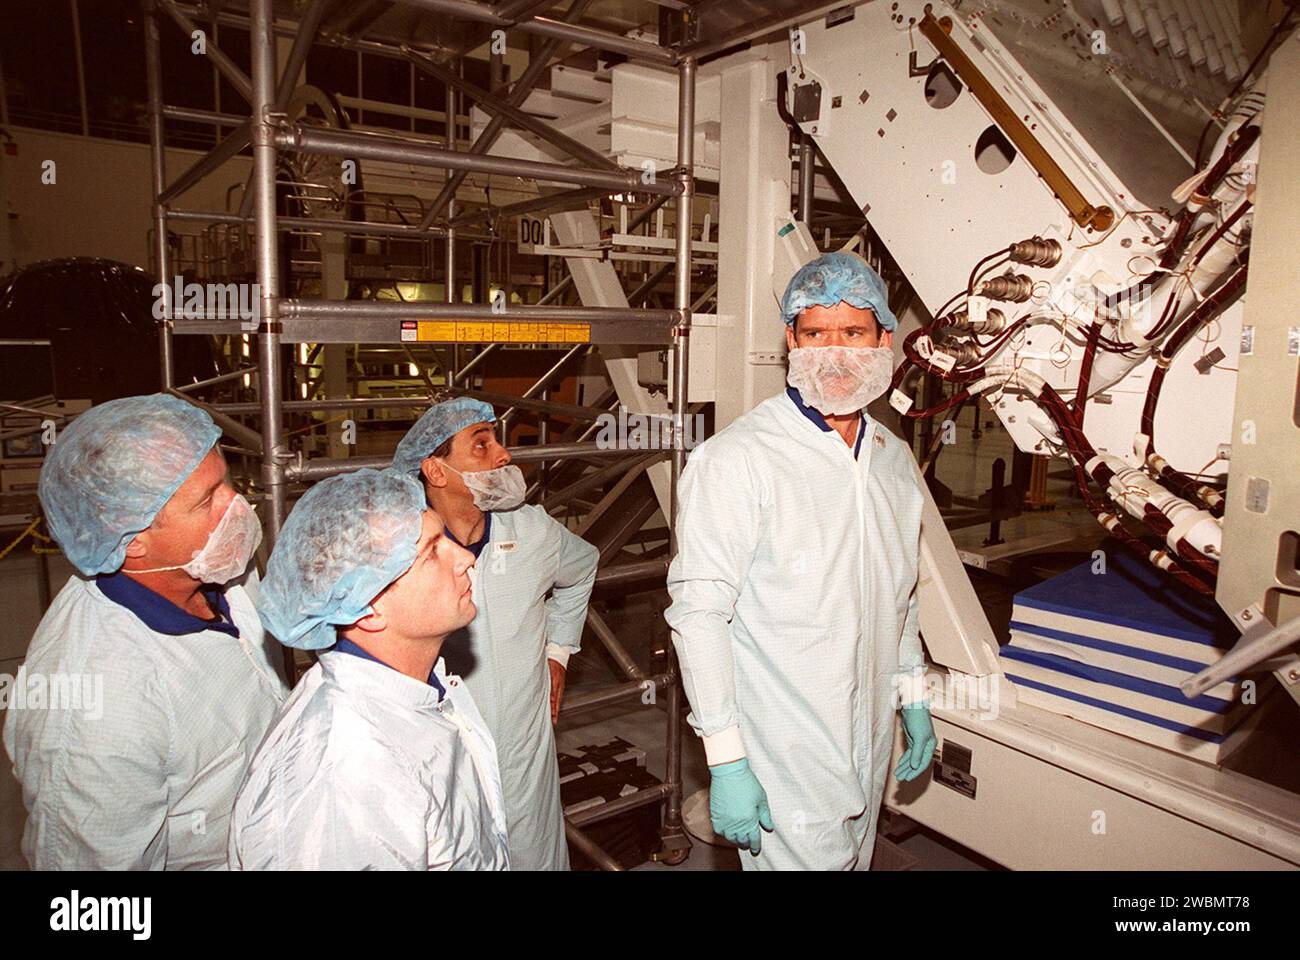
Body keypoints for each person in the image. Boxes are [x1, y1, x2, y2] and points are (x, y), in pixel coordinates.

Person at [665, 251, 937, 871]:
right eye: (814, 333)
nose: (834, 353)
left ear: (884, 340)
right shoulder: (738, 460)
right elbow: (699, 614)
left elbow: (903, 594)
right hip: (785, 747)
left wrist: (913, 698)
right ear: (790, 339)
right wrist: (727, 759)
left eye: (853, 333)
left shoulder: (893, 460)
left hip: (868, 738)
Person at [3, 393, 286, 870]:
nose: (236, 505)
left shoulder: (221, 571)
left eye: (227, 482)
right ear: (132, 541)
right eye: (206, 500)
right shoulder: (94, 710)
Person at [228, 467, 509, 870]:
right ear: (368, 607)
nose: (465, 557)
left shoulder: (416, 688)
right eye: (431, 551)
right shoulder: (346, 771)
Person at [390, 398, 598, 870]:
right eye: (481, 445)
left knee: (534, 852)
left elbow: (583, 567)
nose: (503, 455)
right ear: (435, 471)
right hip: (441, 752)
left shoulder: (532, 531)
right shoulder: (403, 549)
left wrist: (559, 651)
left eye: (497, 440)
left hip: (526, 742)